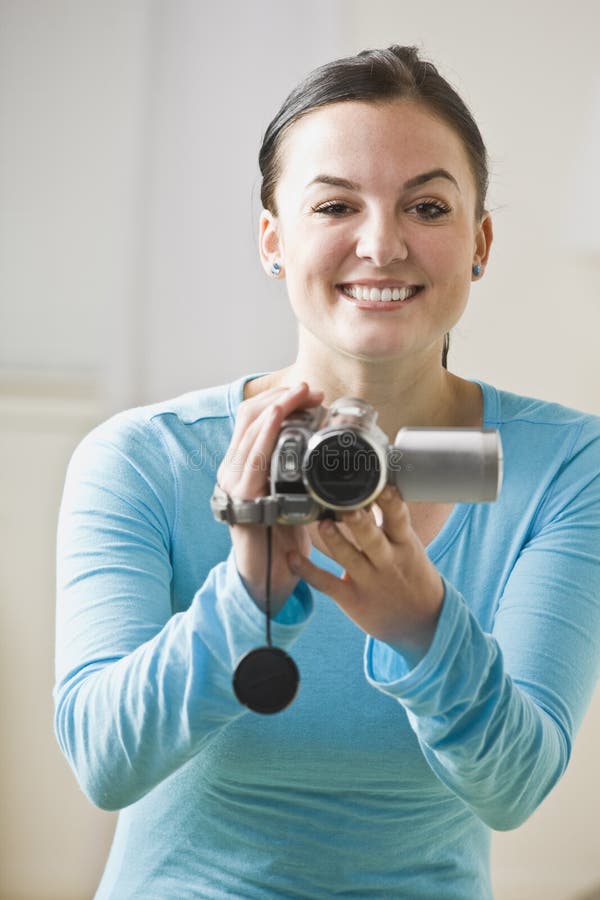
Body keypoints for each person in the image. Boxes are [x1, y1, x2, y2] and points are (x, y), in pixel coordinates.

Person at [54, 45, 600, 899]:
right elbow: (103, 764)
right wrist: (244, 603)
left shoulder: (561, 466)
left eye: (426, 205)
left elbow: (514, 788)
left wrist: (424, 625)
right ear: (273, 240)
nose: (381, 245)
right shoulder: (144, 459)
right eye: (335, 205)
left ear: (480, 241)